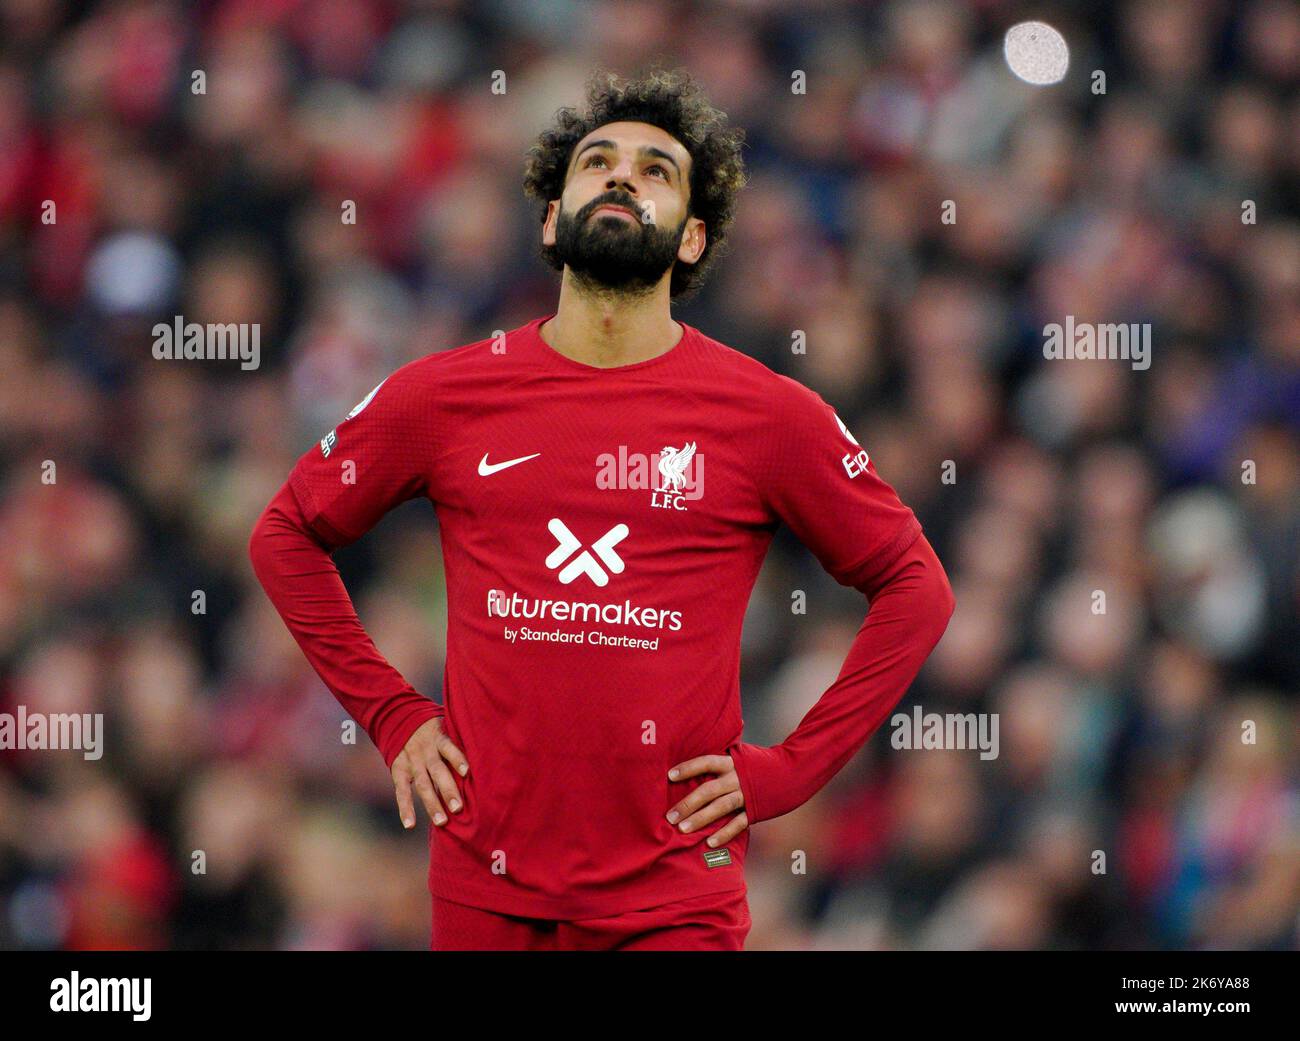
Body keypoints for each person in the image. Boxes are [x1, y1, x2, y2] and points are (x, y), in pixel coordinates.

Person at [248, 68, 954, 951]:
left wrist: (789, 772)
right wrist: (393, 713)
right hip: (484, 890)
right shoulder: (444, 394)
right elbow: (284, 532)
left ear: (693, 238)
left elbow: (916, 587)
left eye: (657, 170)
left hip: (672, 901)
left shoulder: (769, 415)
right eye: (597, 162)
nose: (623, 177)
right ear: (551, 219)